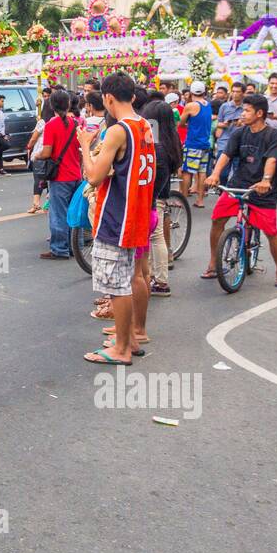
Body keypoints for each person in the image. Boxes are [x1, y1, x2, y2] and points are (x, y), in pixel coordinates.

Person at [81, 73, 155, 365]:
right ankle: (131, 338)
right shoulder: (143, 124)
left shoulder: (118, 131)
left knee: (116, 285)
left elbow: (95, 176)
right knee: (128, 276)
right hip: (137, 211)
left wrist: (85, 146)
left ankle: (121, 348)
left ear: (108, 98)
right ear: (133, 96)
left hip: (116, 216)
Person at [202, 93, 277, 288]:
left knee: (271, 232)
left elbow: (272, 160)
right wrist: (215, 174)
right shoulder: (239, 133)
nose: (242, 114)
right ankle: (212, 262)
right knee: (217, 219)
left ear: (260, 113)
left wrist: (266, 180)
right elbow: (226, 155)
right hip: (237, 185)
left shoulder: (274, 135)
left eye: (247, 110)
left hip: (261, 189)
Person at [36, 89, 81, 260]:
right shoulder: (76, 123)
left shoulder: (51, 125)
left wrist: (36, 155)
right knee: (73, 213)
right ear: (69, 104)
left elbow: (47, 152)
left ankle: (59, 248)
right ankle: (73, 247)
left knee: (58, 213)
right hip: (76, 174)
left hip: (60, 177)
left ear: (51, 105)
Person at [143, 98, 181, 298]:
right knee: (155, 237)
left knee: (155, 237)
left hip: (153, 197)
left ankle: (160, 281)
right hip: (161, 195)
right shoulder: (170, 140)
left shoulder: (157, 146)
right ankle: (156, 278)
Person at [179, 80, 213, 208]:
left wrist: (188, 124)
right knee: (202, 172)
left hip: (193, 143)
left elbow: (181, 123)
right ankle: (200, 200)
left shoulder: (191, 106)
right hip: (205, 143)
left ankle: (183, 199)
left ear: (191, 92)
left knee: (187, 171)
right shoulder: (208, 105)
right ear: (204, 92)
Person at [26, 97, 54, 214]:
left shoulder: (42, 122)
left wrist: (28, 147)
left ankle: (36, 203)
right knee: (51, 178)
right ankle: (48, 204)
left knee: (38, 179)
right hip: (52, 153)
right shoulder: (55, 121)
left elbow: (33, 138)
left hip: (39, 153)